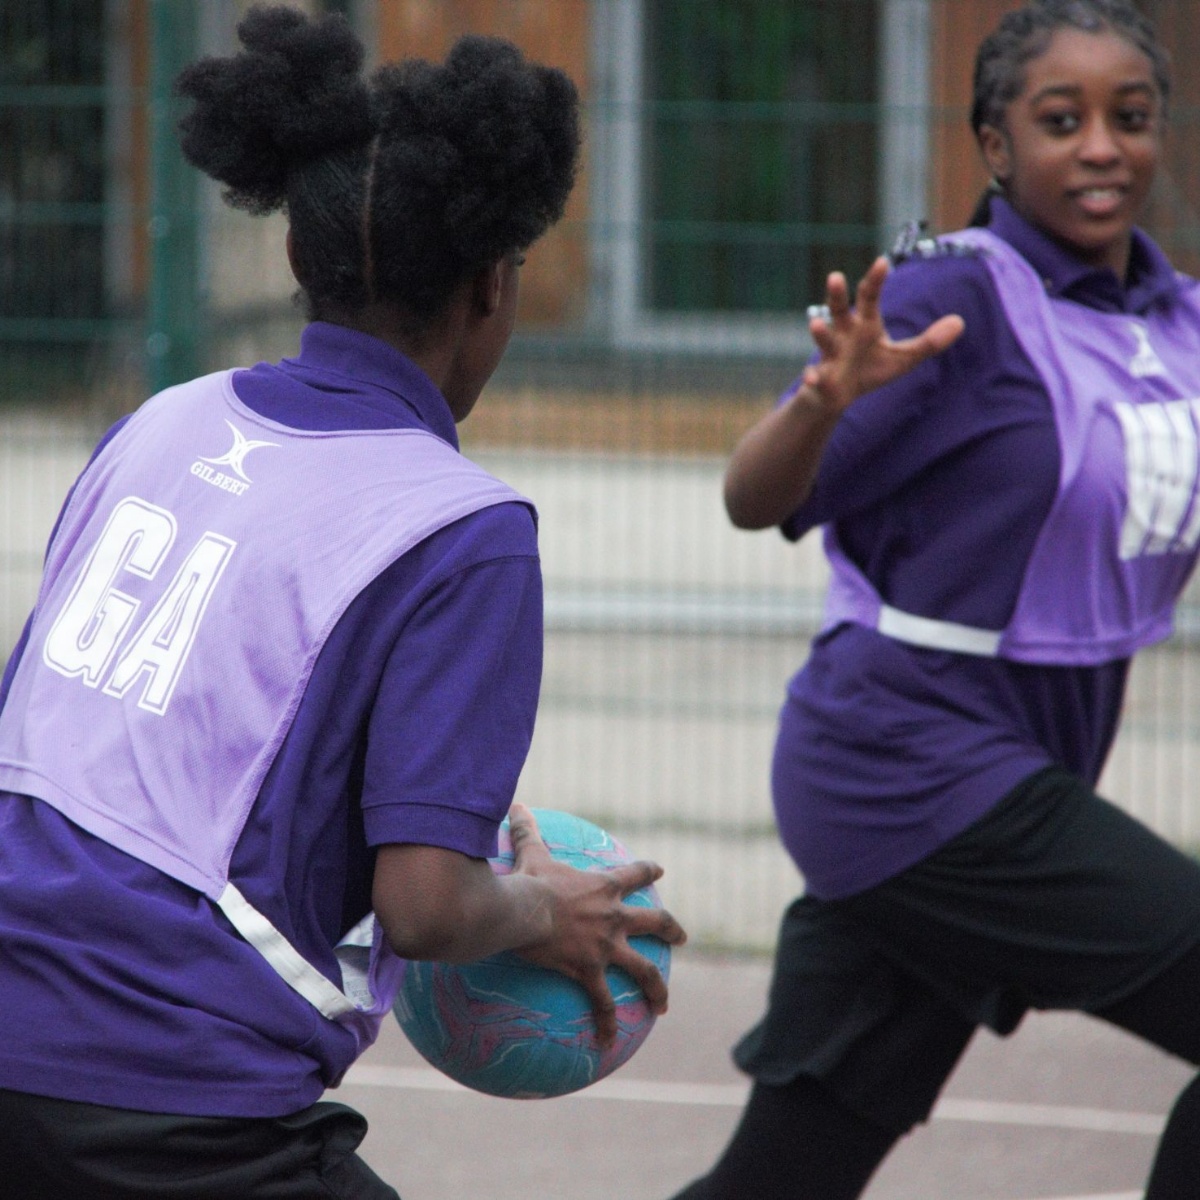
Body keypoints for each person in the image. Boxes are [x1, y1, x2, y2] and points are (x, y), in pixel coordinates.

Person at [0, 8, 685, 1198]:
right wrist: (541, 913)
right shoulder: (461, 528)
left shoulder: (160, 422)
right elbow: (427, 910)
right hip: (160, 1079)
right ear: (493, 285)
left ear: (297, 257)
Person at [670, 1, 1200, 1197]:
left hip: (1018, 774)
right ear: (996, 146)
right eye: (1061, 121)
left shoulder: (1179, 326)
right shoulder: (950, 299)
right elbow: (752, 499)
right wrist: (819, 404)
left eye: (1131, 117)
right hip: (905, 766)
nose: (1103, 147)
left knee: (784, 1180)